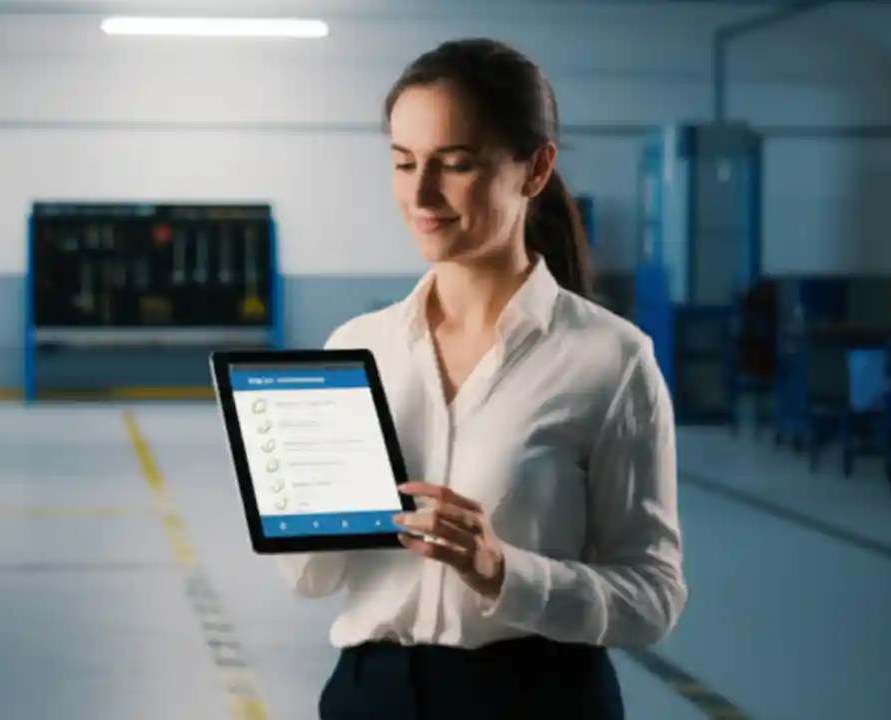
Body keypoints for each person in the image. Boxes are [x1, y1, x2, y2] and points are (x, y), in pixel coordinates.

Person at [277, 38, 687, 719]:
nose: (421, 194)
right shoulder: (358, 348)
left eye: (455, 164)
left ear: (534, 170)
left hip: (534, 699)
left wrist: (505, 572)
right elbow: (316, 578)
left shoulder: (609, 360)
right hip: (369, 695)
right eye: (403, 163)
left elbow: (652, 598)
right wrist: (291, 505)